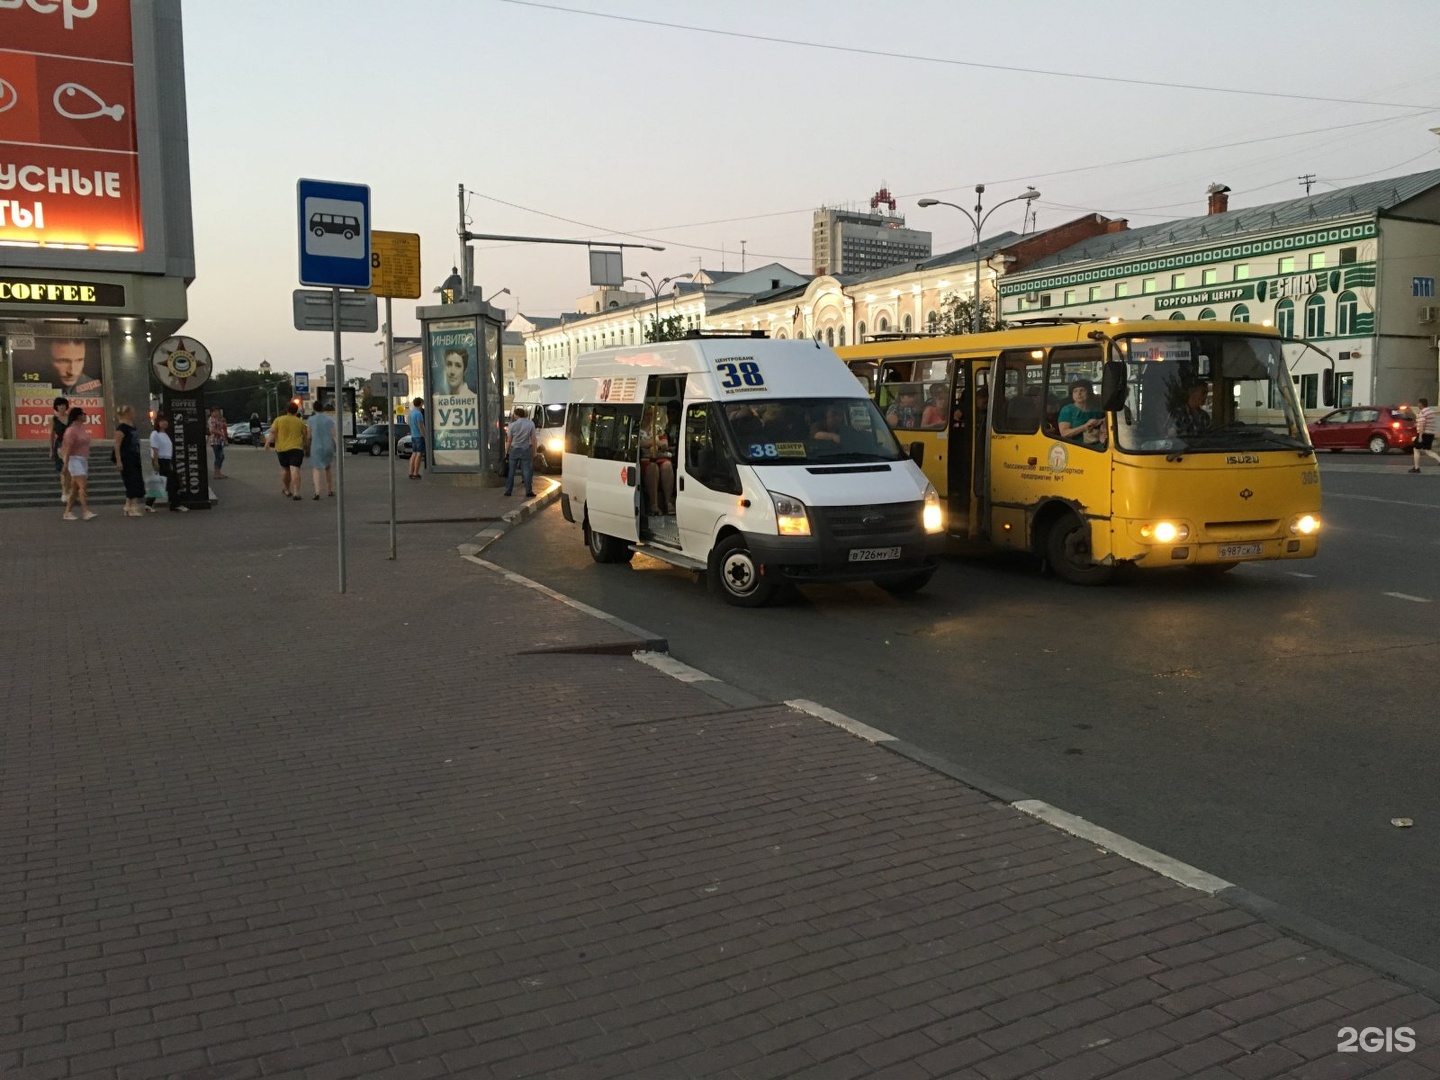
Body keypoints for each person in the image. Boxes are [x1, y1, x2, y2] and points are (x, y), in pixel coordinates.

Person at [264, 400, 309, 500]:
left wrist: (267, 443)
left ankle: (287, 489)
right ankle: (296, 492)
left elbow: (273, 433)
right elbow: (305, 436)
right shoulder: (300, 422)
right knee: (295, 469)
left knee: (285, 469)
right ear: (296, 411)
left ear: (286, 410)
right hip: (296, 448)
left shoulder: (278, 420)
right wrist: (307, 447)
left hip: (282, 449)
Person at [640, 402, 679, 514]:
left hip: (660, 456)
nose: (649, 417)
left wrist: (658, 444)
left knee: (667, 466)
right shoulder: (637, 429)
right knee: (653, 468)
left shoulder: (657, 428)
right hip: (645, 458)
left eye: (650, 414)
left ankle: (668, 502)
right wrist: (655, 442)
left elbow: (664, 442)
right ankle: (653, 504)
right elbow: (640, 443)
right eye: (647, 414)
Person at [60, 406, 96, 520]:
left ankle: (67, 512)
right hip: (74, 459)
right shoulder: (71, 430)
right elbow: (68, 447)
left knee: (75, 489)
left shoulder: (82, 428)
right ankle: (85, 511)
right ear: (78, 416)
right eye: (83, 414)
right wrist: (66, 464)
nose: (85, 416)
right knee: (82, 486)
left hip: (83, 459)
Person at [113, 405, 146, 517]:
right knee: (132, 481)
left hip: (135, 456)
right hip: (126, 458)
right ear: (127, 414)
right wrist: (119, 461)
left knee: (136, 480)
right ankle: (133, 507)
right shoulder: (121, 428)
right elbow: (117, 445)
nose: (134, 415)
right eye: (132, 413)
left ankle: (128, 505)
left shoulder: (132, 426)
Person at [503, 406, 538, 498]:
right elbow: (533, 439)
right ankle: (528, 491)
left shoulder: (512, 425)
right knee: (526, 471)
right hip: (525, 450)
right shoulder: (530, 424)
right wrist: (534, 451)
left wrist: (506, 451)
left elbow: (509, 440)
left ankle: (508, 491)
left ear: (516, 415)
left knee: (511, 471)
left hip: (514, 450)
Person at [307, 399, 338, 498]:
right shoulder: (329, 420)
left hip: (316, 446)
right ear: (322, 408)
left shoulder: (311, 420)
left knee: (316, 468)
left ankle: (317, 492)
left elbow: (309, 435)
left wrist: (306, 446)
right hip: (328, 445)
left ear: (314, 408)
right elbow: (334, 434)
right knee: (328, 467)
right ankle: (329, 490)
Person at [1058, 380, 1105, 445]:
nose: (1079, 394)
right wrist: (1085, 426)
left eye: (1082, 390)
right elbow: (1064, 433)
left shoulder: (1095, 410)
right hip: (1076, 447)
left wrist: (1101, 421)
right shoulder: (1067, 410)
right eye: (1075, 391)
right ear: (1072, 395)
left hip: (1096, 447)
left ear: (1088, 393)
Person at [149, 413, 179, 511]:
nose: (165, 423)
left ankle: (148, 504)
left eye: (166, 421)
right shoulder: (155, 434)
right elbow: (155, 449)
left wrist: (170, 462)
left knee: (160, 483)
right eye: (162, 421)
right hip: (160, 460)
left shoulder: (165, 434)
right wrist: (156, 462)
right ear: (158, 422)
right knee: (170, 482)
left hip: (167, 460)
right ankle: (174, 504)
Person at [50, 397, 71, 506]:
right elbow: (52, 435)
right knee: (63, 470)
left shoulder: (71, 418)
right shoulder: (54, 419)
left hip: (71, 446)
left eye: (63, 405)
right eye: (59, 405)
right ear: (56, 407)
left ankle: (70, 491)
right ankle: (64, 492)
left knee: (71, 470)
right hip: (60, 446)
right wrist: (51, 449)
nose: (61, 407)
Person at [406, 397, 426, 479]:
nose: (423, 405)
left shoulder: (411, 413)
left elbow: (409, 423)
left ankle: (410, 472)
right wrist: (425, 436)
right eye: (422, 403)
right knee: (419, 454)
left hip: (413, 435)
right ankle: (415, 473)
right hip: (419, 436)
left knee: (414, 453)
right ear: (420, 404)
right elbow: (421, 426)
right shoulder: (419, 414)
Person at [207, 405, 228, 477]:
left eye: (218, 411)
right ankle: (216, 473)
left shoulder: (218, 419)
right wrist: (220, 433)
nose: (217, 413)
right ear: (211, 412)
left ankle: (218, 471)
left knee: (221, 456)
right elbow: (212, 429)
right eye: (215, 411)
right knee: (218, 456)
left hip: (220, 440)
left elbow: (222, 427)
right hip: (215, 440)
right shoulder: (211, 419)